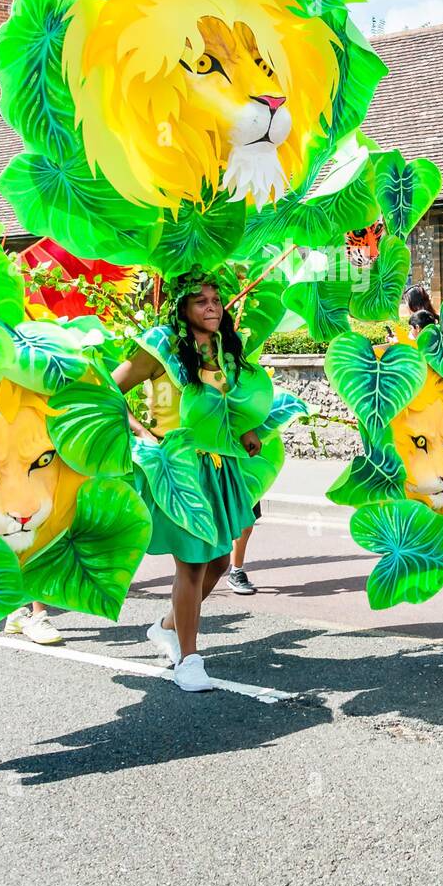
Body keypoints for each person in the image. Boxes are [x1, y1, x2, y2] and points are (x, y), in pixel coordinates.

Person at [111, 274, 261, 691]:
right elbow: (108, 388)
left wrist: (246, 432)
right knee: (193, 563)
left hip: (220, 467)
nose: (213, 307)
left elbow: (221, 407)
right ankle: (189, 660)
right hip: (179, 468)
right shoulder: (161, 348)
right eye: (201, 302)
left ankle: (165, 627)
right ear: (181, 308)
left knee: (217, 562)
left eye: (216, 300)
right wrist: (141, 432)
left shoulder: (222, 349)